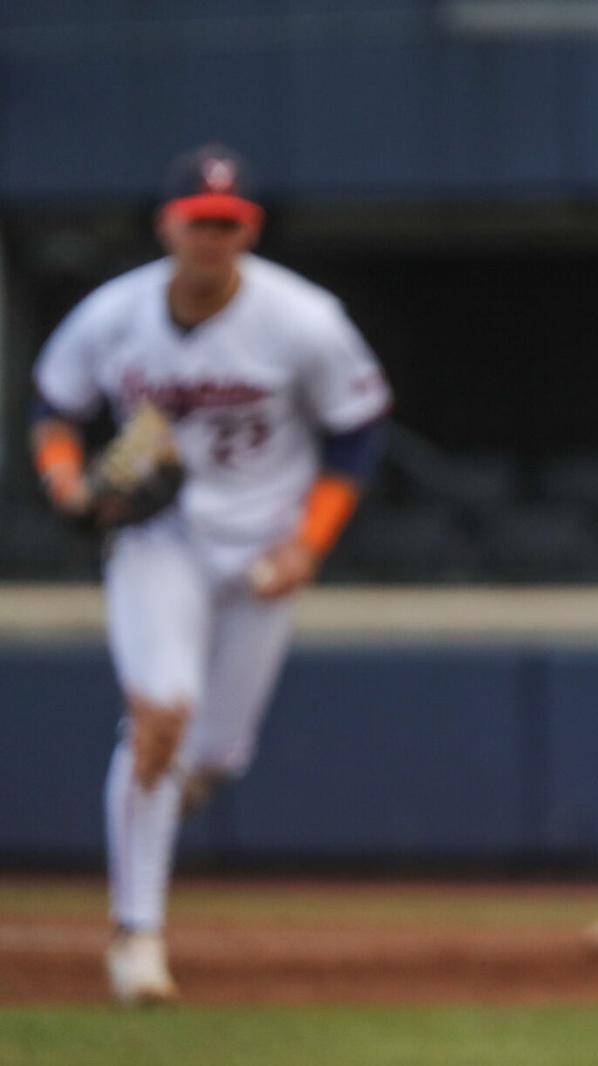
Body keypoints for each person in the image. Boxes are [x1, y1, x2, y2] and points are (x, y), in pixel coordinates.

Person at [30, 144, 391, 1005]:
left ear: (249, 230)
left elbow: (356, 433)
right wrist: (66, 481)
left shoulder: (301, 318)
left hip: (264, 547)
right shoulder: (114, 315)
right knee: (158, 720)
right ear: (170, 225)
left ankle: (159, 806)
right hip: (161, 541)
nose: (213, 239)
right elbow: (56, 405)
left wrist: (308, 544)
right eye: (200, 223)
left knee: (213, 755)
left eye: (229, 225)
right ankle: (137, 936)